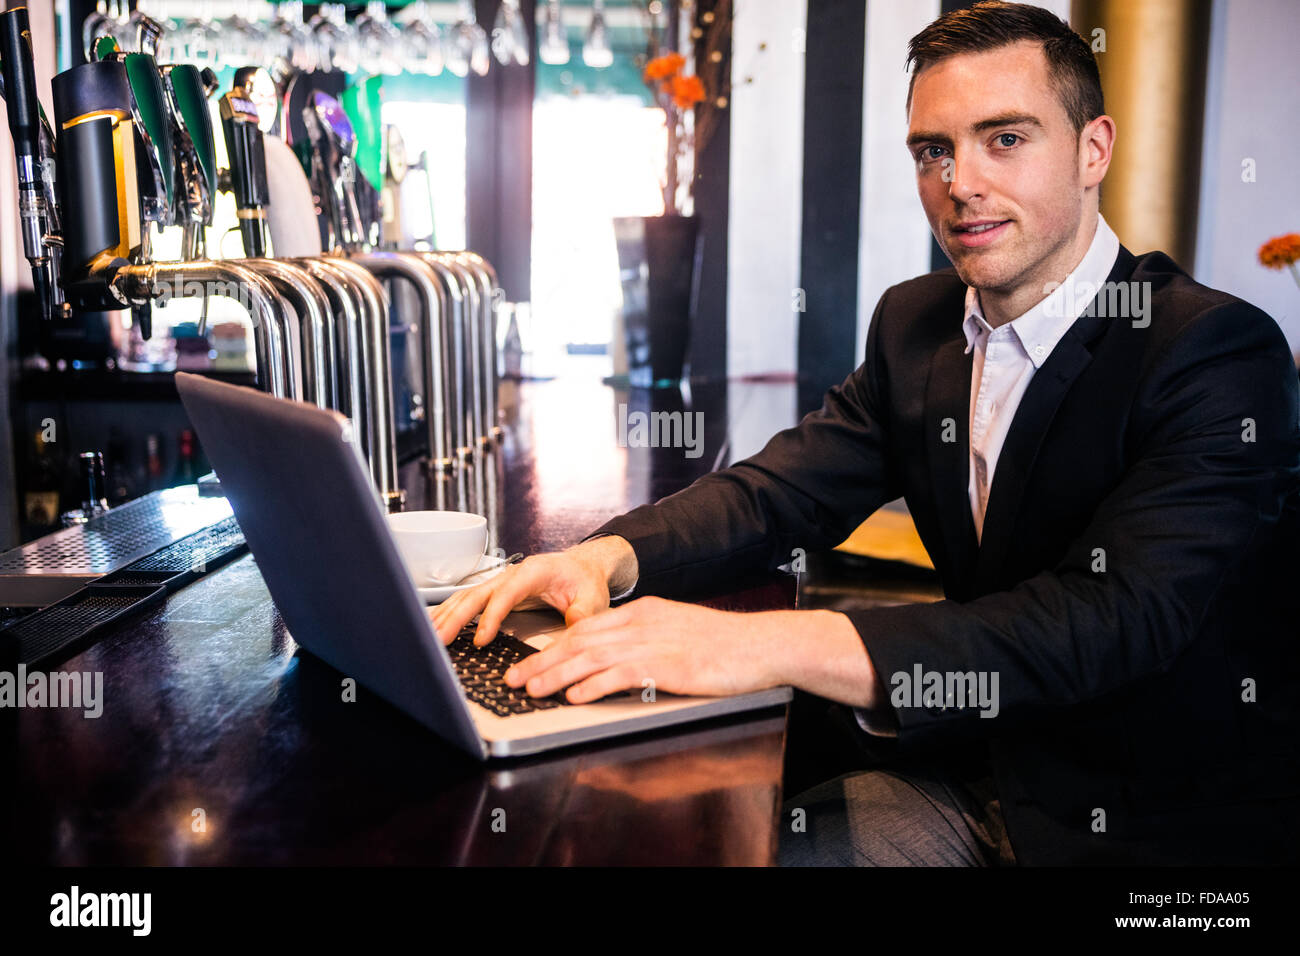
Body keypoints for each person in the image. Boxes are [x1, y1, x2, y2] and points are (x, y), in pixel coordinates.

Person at [431, 1, 1300, 865]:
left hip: (1148, 832)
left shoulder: (1212, 351)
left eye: (1005, 139)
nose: (961, 182)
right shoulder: (917, 323)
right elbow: (783, 490)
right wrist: (601, 558)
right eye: (934, 150)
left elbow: (1111, 620)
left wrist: (752, 643)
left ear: (1092, 150)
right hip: (963, 756)